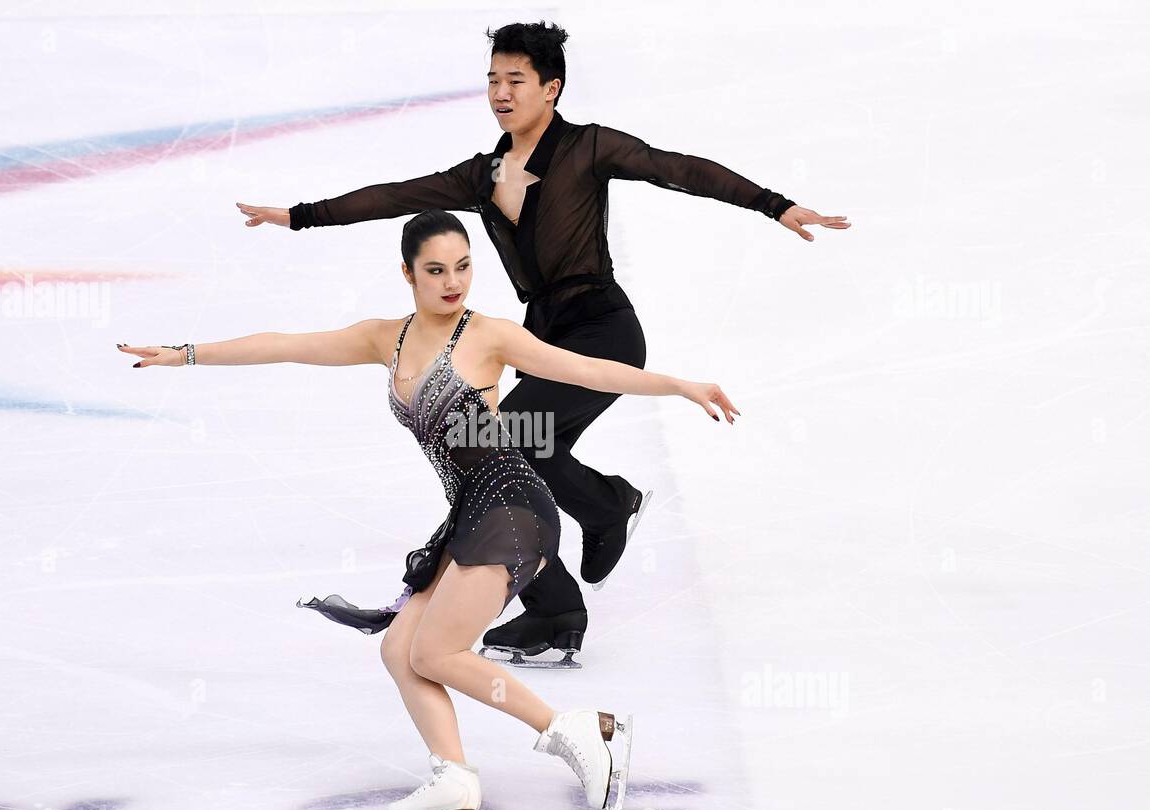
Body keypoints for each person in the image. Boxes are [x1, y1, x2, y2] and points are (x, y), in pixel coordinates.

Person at [116, 210, 741, 810]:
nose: (452, 283)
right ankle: (454, 783)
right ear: (408, 272)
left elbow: (591, 371)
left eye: (463, 267)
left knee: (438, 653)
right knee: (401, 652)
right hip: (470, 510)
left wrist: (680, 386)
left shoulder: (490, 335)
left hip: (512, 507)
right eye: (436, 270)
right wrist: (186, 355)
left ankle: (583, 731)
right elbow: (287, 344)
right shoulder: (383, 339)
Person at [235, 21, 849, 666]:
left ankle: (603, 516)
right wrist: (302, 215)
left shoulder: (588, 149)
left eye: (516, 80)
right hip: (546, 332)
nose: (501, 92)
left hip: (604, 326)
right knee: (498, 455)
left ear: (551, 88)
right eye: (493, 79)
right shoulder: (483, 175)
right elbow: (396, 197)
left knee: (513, 444)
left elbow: (680, 169)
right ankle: (561, 598)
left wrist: (775, 205)